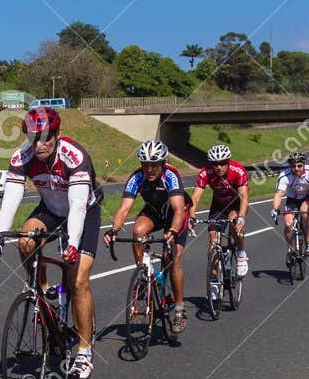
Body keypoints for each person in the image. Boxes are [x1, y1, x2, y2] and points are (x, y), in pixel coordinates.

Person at [0, 104, 104, 379]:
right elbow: (9, 202)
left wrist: (72, 244)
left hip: (83, 212)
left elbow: (77, 208)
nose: (39, 144)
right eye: (33, 137)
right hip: (50, 208)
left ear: (57, 134)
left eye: (46, 137)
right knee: (25, 240)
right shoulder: (22, 157)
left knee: (78, 281)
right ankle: (44, 290)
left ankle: (84, 352)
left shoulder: (74, 156)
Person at [104, 139, 190, 334]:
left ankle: (179, 309)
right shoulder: (136, 178)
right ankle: (144, 275)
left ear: (163, 163)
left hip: (175, 216)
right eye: (145, 165)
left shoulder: (171, 175)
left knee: (172, 259)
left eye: (154, 165)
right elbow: (124, 209)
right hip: (154, 212)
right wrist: (114, 230)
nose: (149, 169)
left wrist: (173, 232)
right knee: (138, 233)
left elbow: (178, 210)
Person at [187, 143, 251, 302]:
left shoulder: (238, 170)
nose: (219, 167)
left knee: (234, 225)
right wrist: (192, 215)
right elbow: (195, 197)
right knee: (213, 239)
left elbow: (244, 196)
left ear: (228, 162)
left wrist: (241, 217)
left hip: (236, 204)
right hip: (218, 205)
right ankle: (214, 280)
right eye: (215, 164)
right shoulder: (205, 172)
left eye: (222, 163)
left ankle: (241, 254)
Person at [271, 153, 309, 255]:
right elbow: (279, 194)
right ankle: (290, 249)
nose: (296, 168)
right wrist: (275, 209)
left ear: (304, 164)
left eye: (299, 165)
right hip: (292, 199)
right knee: (288, 224)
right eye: (293, 166)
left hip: (307, 197)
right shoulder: (285, 175)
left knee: (305, 212)